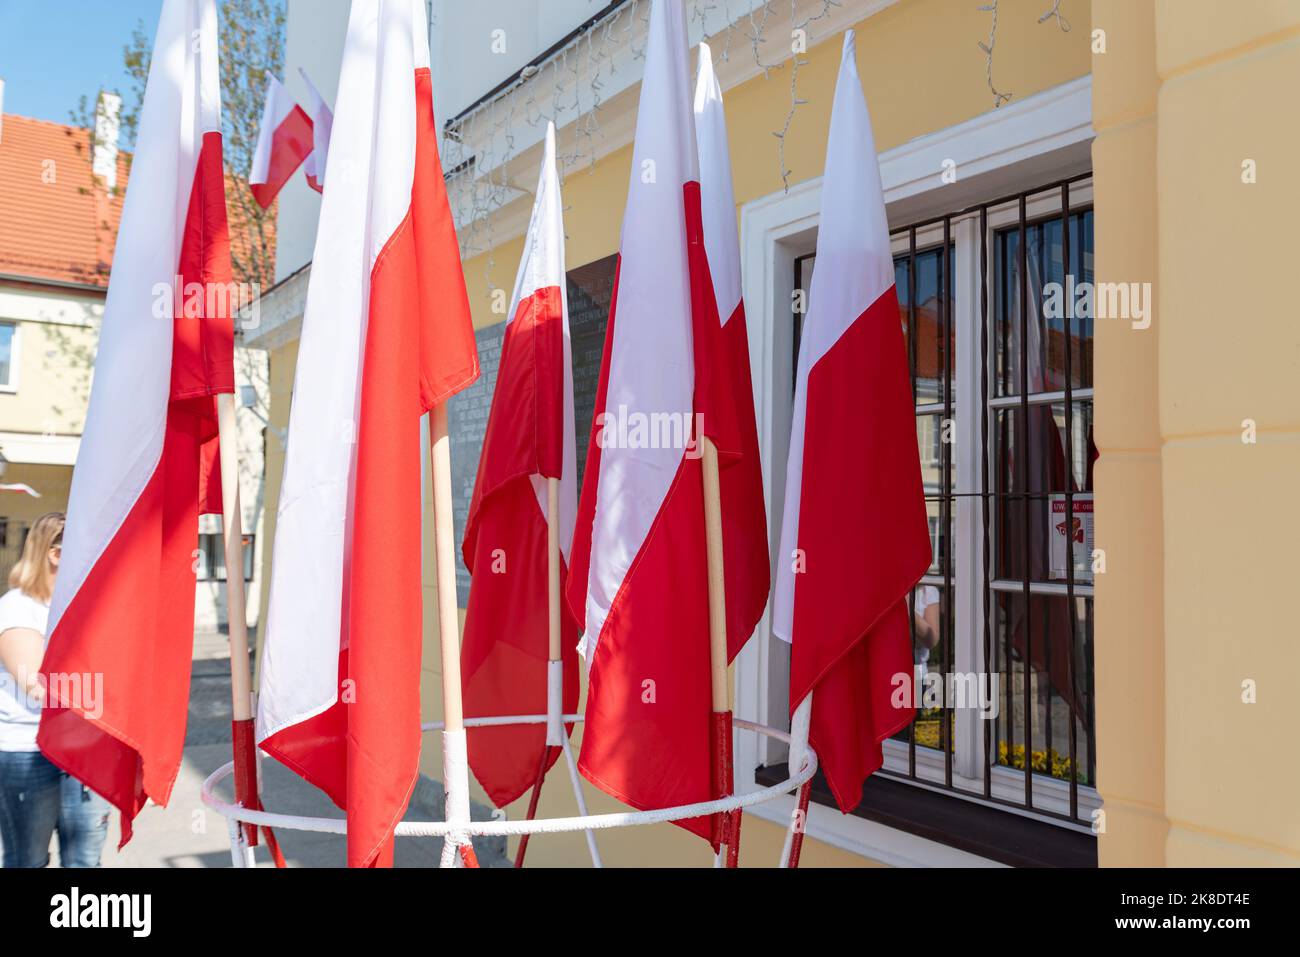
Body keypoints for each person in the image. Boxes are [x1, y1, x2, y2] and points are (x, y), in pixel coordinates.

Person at [0, 512, 110, 867]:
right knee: (27, 860)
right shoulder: (16, 608)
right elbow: (36, 685)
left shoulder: (87, 606)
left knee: (85, 860)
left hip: (86, 751)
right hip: (27, 753)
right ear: (55, 554)